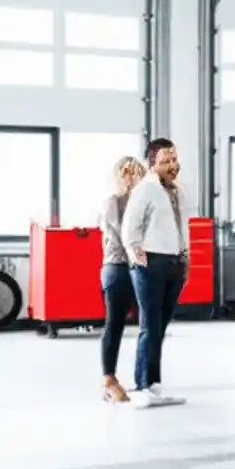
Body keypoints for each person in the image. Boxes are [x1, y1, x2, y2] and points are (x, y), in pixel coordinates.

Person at [120, 137, 190, 409]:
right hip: (151, 263)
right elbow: (130, 228)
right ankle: (141, 386)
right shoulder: (145, 191)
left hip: (174, 262)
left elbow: (180, 227)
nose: (173, 165)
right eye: (166, 161)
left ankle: (154, 382)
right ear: (153, 164)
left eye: (175, 160)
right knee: (149, 326)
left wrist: (185, 256)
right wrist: (137, 256)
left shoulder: (176, 192)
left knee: (161, 326)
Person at [97, 155, 146, 403]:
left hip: (140, 268)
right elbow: (120, 237)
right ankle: (109, 380)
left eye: (136, 173)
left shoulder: (144, 204)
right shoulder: (112, 203)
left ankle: (146, 379)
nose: (132, 179)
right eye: (128, 174)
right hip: (117, 268)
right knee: (114, 323)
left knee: (148, 325)